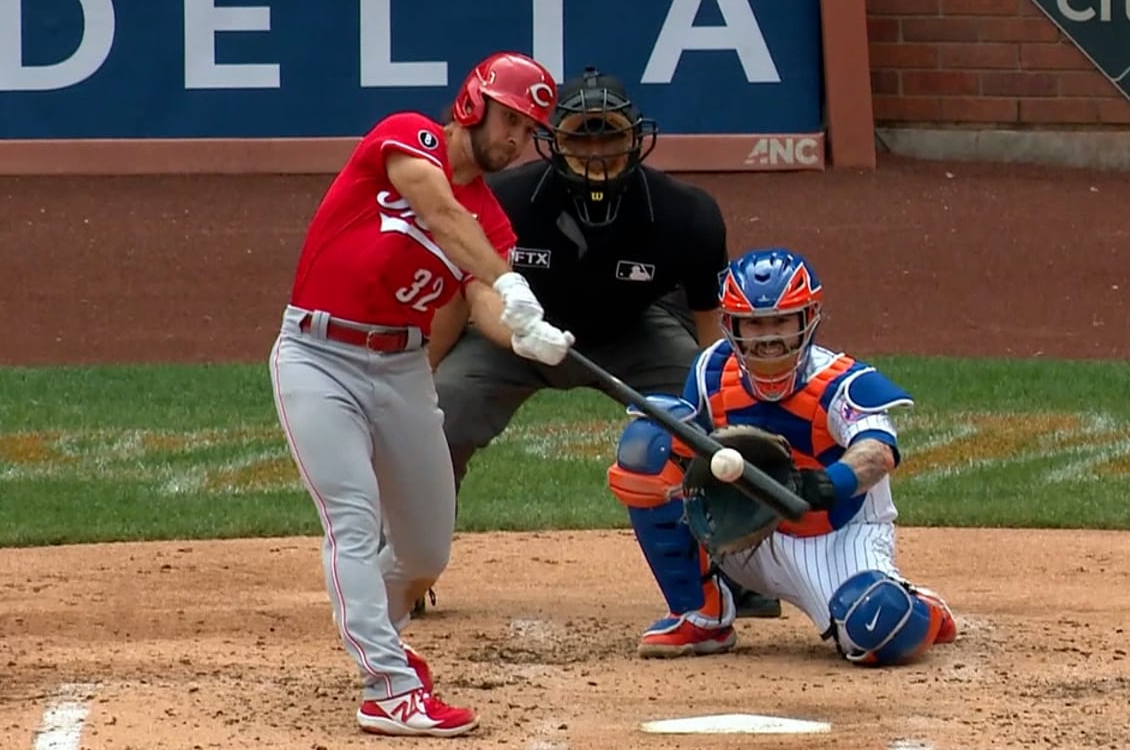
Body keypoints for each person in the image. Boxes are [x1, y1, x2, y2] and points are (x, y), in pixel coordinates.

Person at [267, 51, 576, 738]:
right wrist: (511, 282)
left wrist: (528, 333)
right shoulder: (407, 137)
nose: (517, 142)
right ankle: (388, 685)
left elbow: (483, 299)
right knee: (352, 518)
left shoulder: (493, 222)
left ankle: (382, 634)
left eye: (529, 133)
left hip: (402, 371)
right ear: (474, 104)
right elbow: (439, 212)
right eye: (512, 123)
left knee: (424, 552)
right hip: (318, 358)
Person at [416, 65, 783, 619]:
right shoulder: (506, 201)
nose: (596, 151)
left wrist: (720, 408)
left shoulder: (687, 215)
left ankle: (736, 568)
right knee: (441, 415)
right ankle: (407, 567)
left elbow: (712, 336)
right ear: (553, 141)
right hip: (520, 335)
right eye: (579, 137)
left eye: (609, 134)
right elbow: (463, 296)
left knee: (705, 426)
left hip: (634, 332)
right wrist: (421, 379)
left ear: (635, 138)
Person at [604, 247, 960, 663]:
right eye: (754, 325)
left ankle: (917, 604)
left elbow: (876, 453)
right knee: (648, 444)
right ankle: (700, 614)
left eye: (779, 322)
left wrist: (826, 484)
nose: (768, 337)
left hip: (833, 540)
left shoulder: (842, 382)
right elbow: (680, 448)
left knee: (879, 629)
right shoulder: (711, 370)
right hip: (744, 534)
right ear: (732, 324)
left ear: (807, 319)